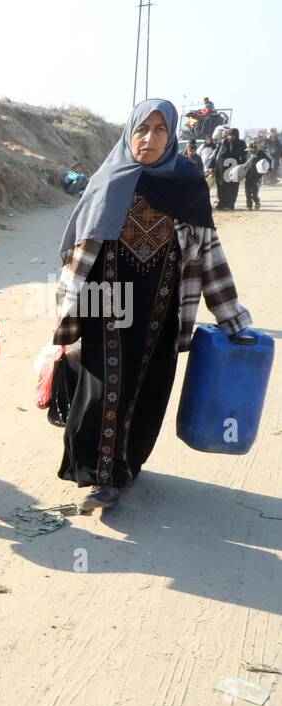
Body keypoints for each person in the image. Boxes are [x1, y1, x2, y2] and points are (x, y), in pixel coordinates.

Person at [53, 99, 252, 512]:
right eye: (142, 129)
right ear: (130, 133)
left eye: (160, 130)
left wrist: (232, 319)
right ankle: (99, 475)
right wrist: (66, 314)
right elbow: (76, 248)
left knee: (145, 387)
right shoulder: (109, 179)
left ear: (172, 136)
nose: (149, 138)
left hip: (160, 308)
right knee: (105, 384)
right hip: (104, 301)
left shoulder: (187, 184)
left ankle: (123, 464)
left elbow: (210, 257)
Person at [214, 127, 248, 210]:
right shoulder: (224, 142)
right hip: (221, 170)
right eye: (229, 135)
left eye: (232, 135)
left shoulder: (241, 143)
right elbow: (216, 154)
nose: (230, 137)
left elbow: (244, 156)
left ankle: (230, 204)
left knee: (232, 188)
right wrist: (211, 165)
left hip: (234, 170)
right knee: (221, 187)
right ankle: (221, 203)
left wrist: (242, 167)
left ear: (237, 135)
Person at [242, 140, 270, 210]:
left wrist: (268, 170)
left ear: (255, 148)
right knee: (247, 191)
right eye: (248, 150)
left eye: (250, 150)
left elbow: (269, 160)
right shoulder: (247, 155)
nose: (249, 151)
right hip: (248, 175)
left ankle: (257, 202)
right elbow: (243, 163)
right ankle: (249, 205)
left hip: (257, 176)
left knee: (254, 191)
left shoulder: (261, 153)